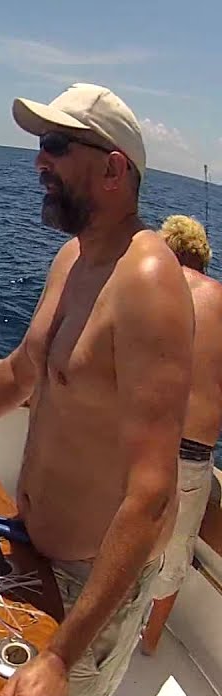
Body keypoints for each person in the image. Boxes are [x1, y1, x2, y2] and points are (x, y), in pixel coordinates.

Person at [0, 84, 194, 696]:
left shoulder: (147, 282)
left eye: (55, 145)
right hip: (30, 542)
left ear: (113, 167)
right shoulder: (73, 257)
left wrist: (59, 659)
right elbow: (25, 370)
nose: (38, 162)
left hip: (89, 582)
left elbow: (151, 493)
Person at [140, 215, 222, 655]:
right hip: (192, 456)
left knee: (114, 541)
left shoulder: (149, 289)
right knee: (174, 557)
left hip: (137, 443)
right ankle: (150, 643)